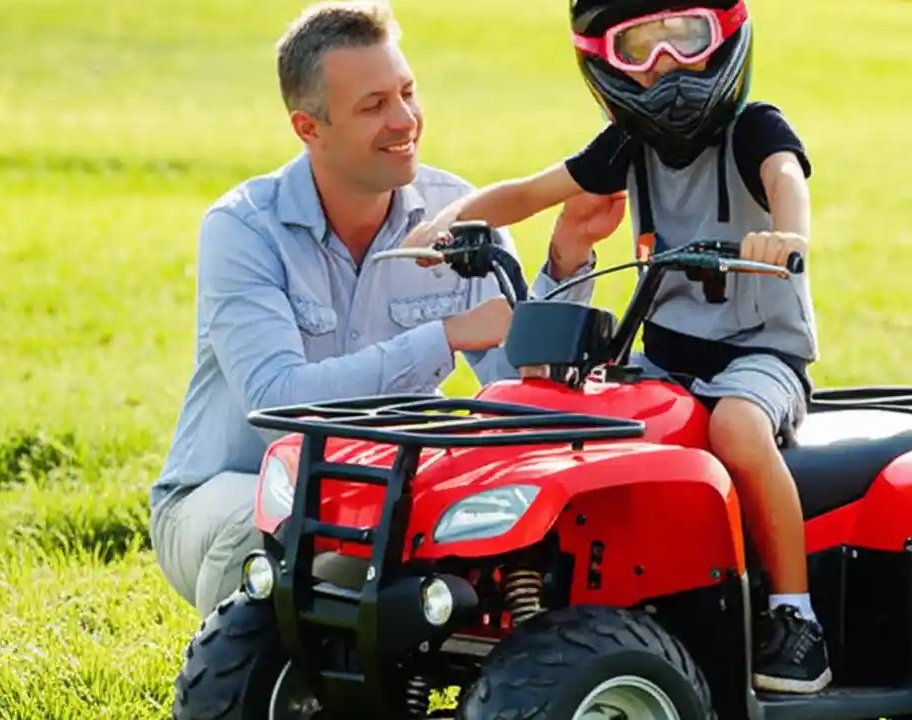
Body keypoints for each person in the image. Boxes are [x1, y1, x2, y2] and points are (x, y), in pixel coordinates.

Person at [403, 0, 829, 694]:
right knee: (574, 427)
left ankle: (794, 613)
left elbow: (787, 177)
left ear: (723, 35)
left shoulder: (754, 128)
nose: (665, 66)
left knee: (738, 429)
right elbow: (531, 191)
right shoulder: (628, 144)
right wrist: (450, 221)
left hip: (759, 359)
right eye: (641, 47)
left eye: (684, 39)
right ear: (604, 58)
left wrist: (789, 236)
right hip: (661, 362)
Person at [148, 0, 624, 621]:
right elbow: (280, 407)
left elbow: (521, 391)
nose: (404, 120)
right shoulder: (244, 229)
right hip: (230, 492)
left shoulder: (459, 214)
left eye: (407, 92)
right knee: (273, 525)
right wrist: (443, 337)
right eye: (373, 106)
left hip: (387, 495)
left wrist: (567, 258)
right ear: (308, 128)